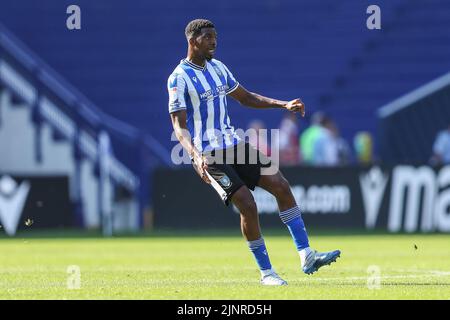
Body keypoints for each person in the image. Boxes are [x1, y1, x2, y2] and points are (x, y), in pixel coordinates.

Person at [168, 19, 340, 286]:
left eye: (216, 36)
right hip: (209, 155)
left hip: (234, 145)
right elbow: (179, 126)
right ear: (193, 41)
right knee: (248, 205)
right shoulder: (178, 78)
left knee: (281, 185)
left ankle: (306, 254)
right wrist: (194, 154)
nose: (214, 41)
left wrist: (283, 104)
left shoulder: (219, 68)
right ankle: (267, 273)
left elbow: (246, 98)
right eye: (208, 37)